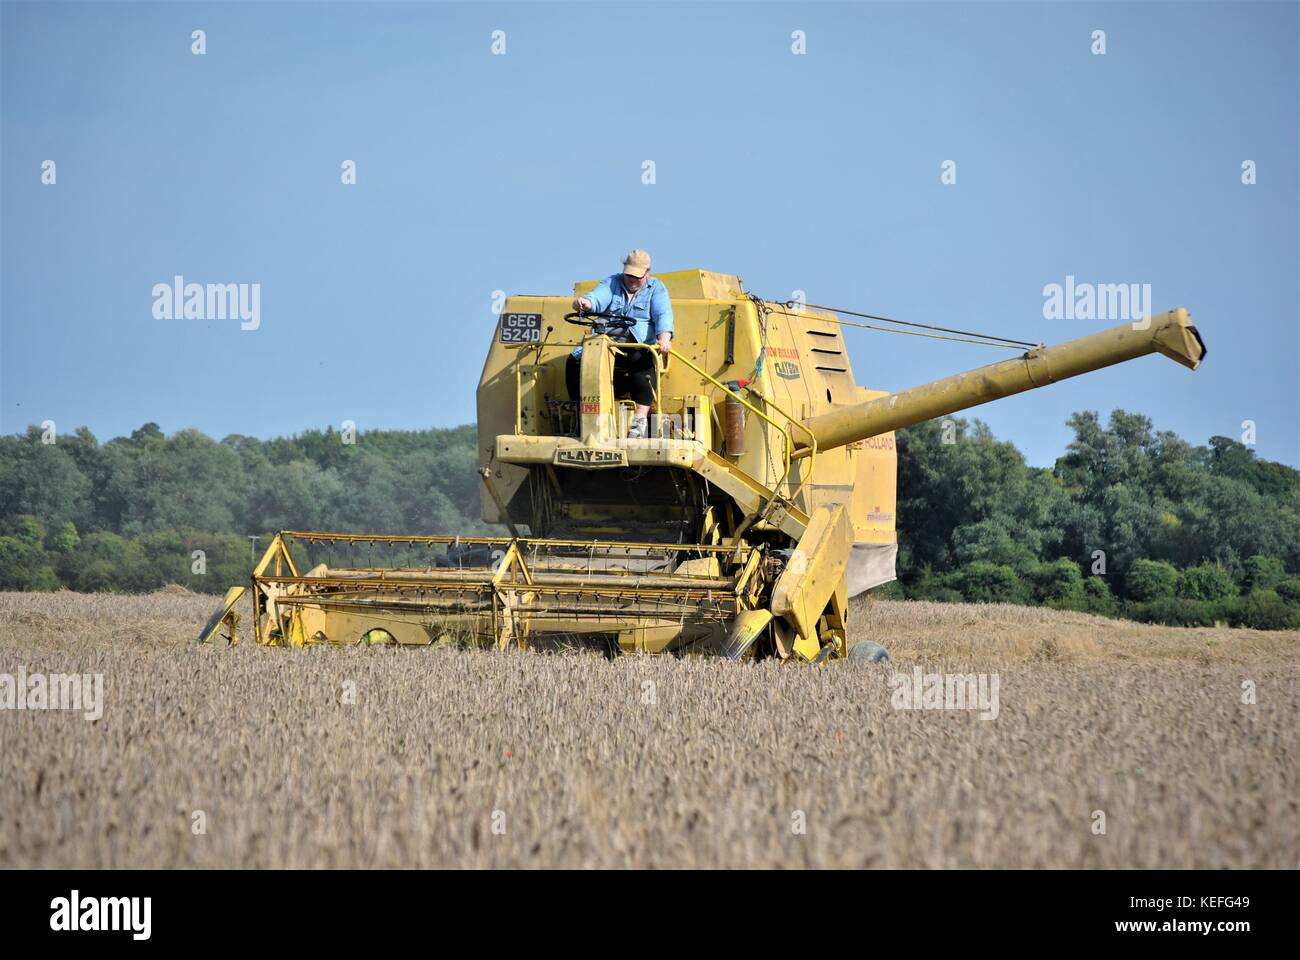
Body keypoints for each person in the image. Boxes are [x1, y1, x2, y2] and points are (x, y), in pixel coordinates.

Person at [566, 249, 673, 439]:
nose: (632, 280)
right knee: (574, 361)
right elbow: (597, 298)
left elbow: (663, 315)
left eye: (637, 277)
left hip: (637, 344)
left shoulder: (657, 288)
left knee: (643, 358)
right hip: (607, 343)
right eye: (628, 275)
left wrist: (664, 339)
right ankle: (580, 414)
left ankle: (639, 421)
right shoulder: (612, 282)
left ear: (647, 273)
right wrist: (585, 303)